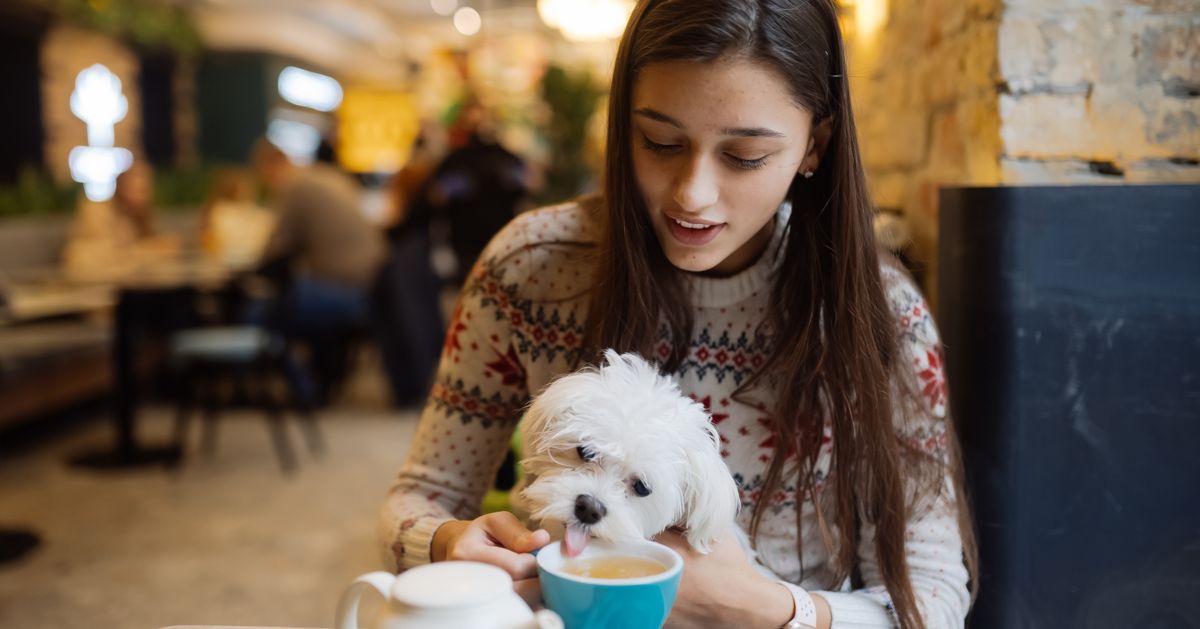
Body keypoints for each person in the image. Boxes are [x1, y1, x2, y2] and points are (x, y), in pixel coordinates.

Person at [377, 1, 977, 628]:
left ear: (814, 145)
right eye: (660, 142)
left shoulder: (880, 317)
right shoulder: (530, 269)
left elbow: (934, 599)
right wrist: (444, 541)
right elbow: (421, 495)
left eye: (744, 155)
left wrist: (761, 608)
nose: (692, 193)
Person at [252, 139, 385, 402]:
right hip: (375, 283)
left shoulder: (295, 186)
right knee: (293, 298)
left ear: (271, 168)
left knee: (259, 312)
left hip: (347, 290)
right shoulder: (331, 176)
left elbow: (275, 248)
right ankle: (319, 380)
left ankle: (303, 390)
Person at [61, 161, 179, 280]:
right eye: (138, 189)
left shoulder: (135, 216)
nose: (144, 196)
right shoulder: (98, 211)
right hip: (89, 281)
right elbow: (108, 256)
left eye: (146, 189)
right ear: (122, 186)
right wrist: (148, 251)